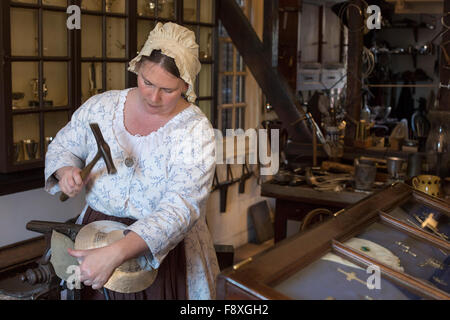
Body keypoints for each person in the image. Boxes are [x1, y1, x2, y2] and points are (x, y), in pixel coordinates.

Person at [44, 22, 219, 300]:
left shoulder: (194, 130)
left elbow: (181, 207)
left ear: (186, 85)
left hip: (161, 248)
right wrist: (66, 170)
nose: (153, 96)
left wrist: (116, 252)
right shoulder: (102, 107)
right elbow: (64, 145)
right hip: (94, 232)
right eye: (147, 82)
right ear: (137, 67)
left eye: (168, 90)